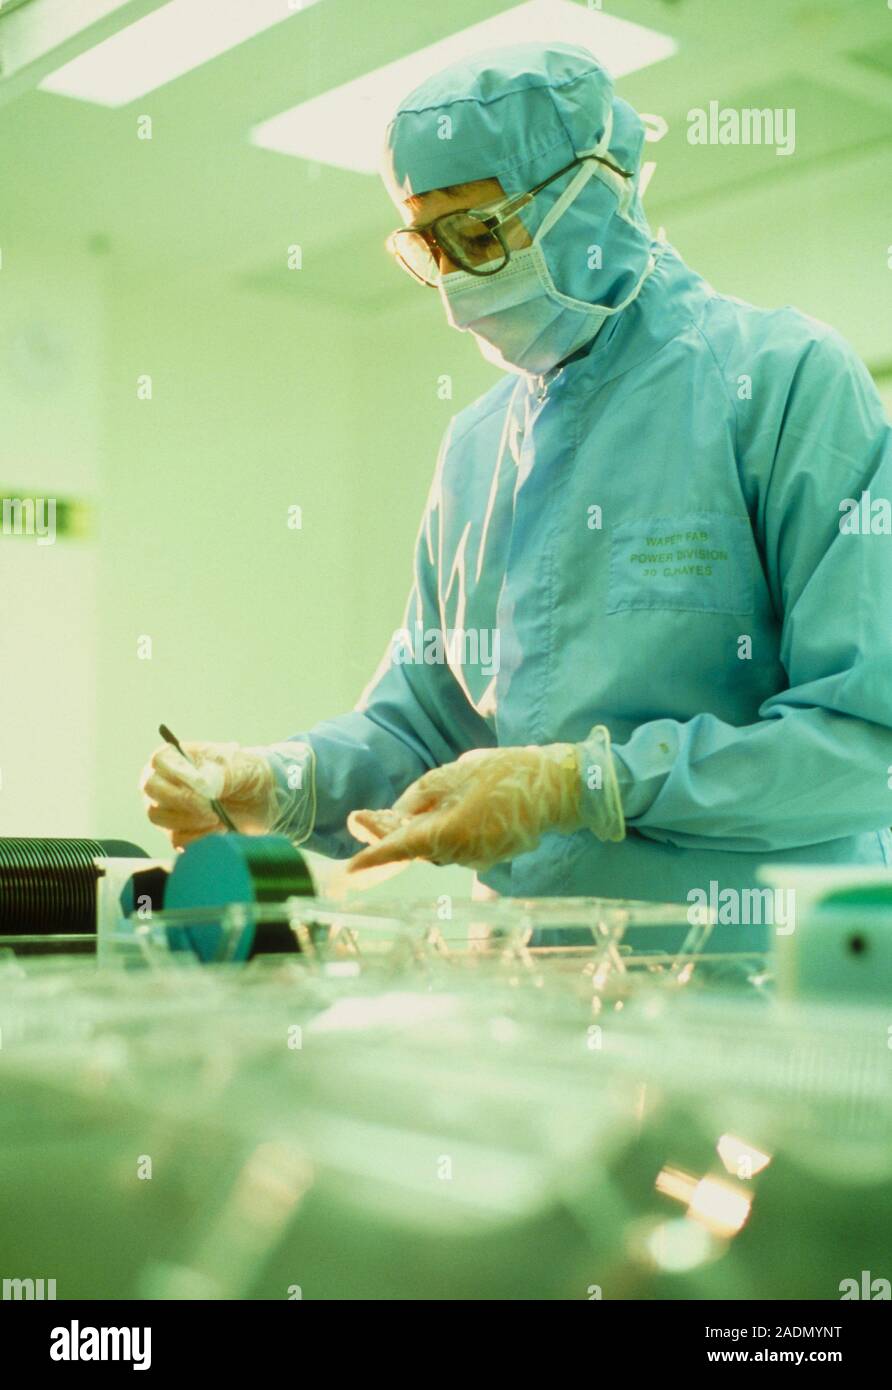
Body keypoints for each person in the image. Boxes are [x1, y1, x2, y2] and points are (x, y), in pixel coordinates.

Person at [142, 42, 892, 918]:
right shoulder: (475, 448)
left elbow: (865, 738)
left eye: (479, 232)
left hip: (763, 985)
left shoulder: (784, 383)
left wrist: (589, 784)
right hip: (535, 986)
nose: (455, 280)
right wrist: (278, 781)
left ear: (598, 191)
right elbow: (422, 730)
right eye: (430, 245)